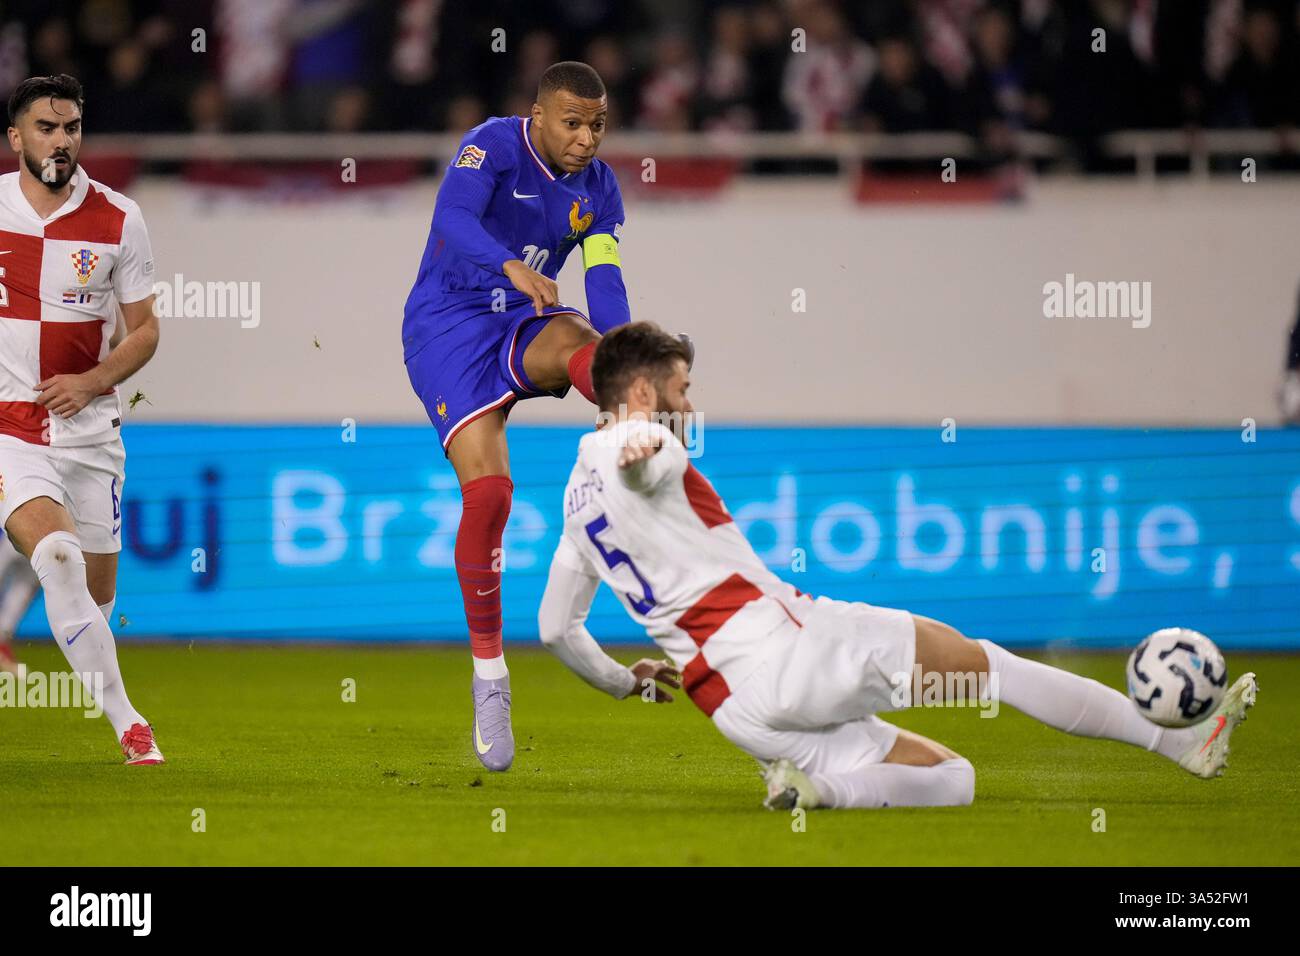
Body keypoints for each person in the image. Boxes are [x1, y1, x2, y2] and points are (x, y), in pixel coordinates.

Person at [537, 323, 1257, 810]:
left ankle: (822, 792)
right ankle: (1179, 740)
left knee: (954, 777)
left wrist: (622, 681)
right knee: (993, 668)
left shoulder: (573, 501)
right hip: (796, 655)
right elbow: (644, 459)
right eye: (681, 389)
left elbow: (554, 629)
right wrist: (642, 450)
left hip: (739, 714)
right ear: (638, 396)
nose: (689, 404)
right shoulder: (641, 443)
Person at [403, 61, 674, 772]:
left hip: (525, 321)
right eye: (573, 123)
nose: (587, 139)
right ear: (538, 116)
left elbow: (603, 275)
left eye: (598, 125)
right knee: (490, 494)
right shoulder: (491, 145)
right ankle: (490, 679)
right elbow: (452, 218)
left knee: (590, 345)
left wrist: (623, 364)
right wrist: (508, 266)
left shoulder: (600, 190)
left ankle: (625, 421)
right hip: (448, 328)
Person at [0, 74, 163, 765]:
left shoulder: (119, 217)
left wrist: (94, 380)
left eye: (70, 127)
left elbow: (146, 330)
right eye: (46, 127)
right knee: (55, 556)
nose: (60, 140)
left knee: (95, 604)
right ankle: (133, 726)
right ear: (16, 138)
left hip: (93, 435)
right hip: (11, 428)